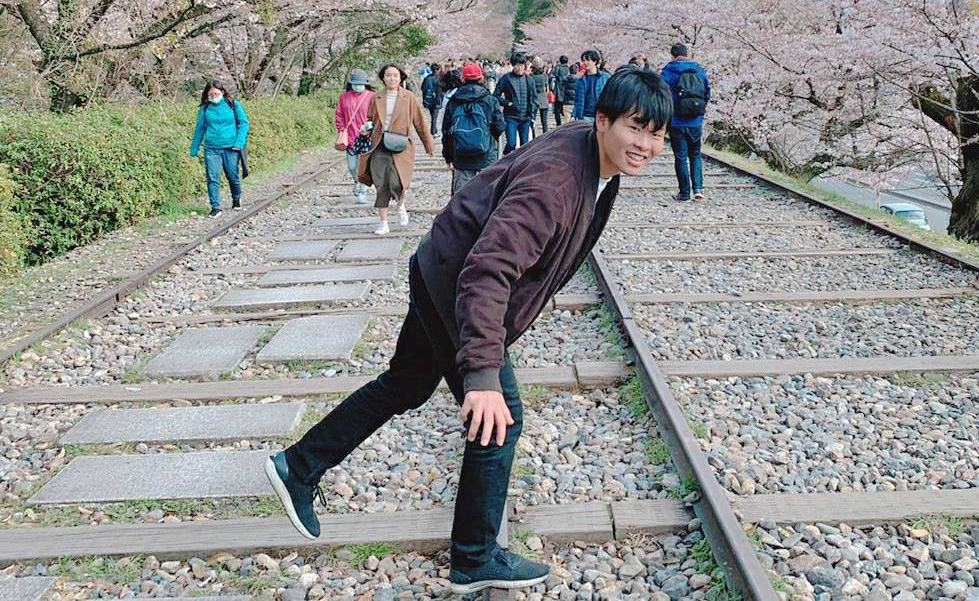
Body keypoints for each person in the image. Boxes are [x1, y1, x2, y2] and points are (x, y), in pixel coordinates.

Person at [264, 66, 673, 594]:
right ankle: (475, 556)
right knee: (499, 420)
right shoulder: (558, 182)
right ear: (601, 121)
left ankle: (298, 466)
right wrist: (481, 375)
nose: (646, 145)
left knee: (405, 384)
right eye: (635, 129)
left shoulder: (594, 155)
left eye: (657, 134)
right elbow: (488, 270)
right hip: (457, 285)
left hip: (438, 267)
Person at [358, 63, 435, 235]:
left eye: (395, 75)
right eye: (388, 75)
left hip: (401, 145)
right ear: (383, 78)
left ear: (401, 78)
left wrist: (428, 145)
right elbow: (370, 121)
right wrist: (364, 132)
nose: (392, 78)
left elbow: (420, 123)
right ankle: (383, 222)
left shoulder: (409, 97)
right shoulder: (376, 97)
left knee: (398, 181)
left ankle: (400, 205)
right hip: (379, 144)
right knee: (381, 184)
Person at [442, 61, 505, 194]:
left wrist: (448, 157)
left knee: (461, 198)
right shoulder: (489, 100)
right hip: (486, 154)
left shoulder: (453, 101)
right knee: (488, 196)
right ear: (481, 77)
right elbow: (500, 126)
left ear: (463, 78)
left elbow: (447, 132)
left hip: (460, 156)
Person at [189, 80, 249, 216]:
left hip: (231, 147)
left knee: (232, 175)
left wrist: (239, 143)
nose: (214, 96)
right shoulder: (205, 109)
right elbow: (199, 129)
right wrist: (194, 148)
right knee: (212, 177)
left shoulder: (233, 105)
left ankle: (236, 197)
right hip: (211, 148)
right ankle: (215, 207)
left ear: (222, 92)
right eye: (211, 94)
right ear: (207, 95)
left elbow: (244, 124)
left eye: (216, 93)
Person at [660, 43, 711, 202]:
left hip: (677, 121)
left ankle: (684, 192)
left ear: (673, 55)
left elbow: (662, 94)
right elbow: (707, 92)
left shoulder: (668, 70)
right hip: (696, 120)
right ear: (686, 53)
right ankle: (698, 189)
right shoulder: (699, 69)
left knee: (680, 157)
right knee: (695, 155)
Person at [335, 69, 373, 202]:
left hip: (366, 137)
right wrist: (341, 129)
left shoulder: (372, 96)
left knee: (363, 166)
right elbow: (339, 115)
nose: (357, 86)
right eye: (355, 84)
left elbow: (376, 115)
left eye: (360, 84)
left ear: (365, 84)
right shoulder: (344, 97)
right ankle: (357, 182)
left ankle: (363, 190)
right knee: (352, 167)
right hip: (350, 137)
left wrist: (370, 126)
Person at [494, 53, 538, 152]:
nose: (520, 68)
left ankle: (520, 165)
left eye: (522, 65)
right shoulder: (506, 79)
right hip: (511, 117)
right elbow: (495, 96)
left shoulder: (529, 79)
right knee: (511, 143)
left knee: (525, 146)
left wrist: (533, 114)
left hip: (526, 117)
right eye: (517, 65)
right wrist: (507, 103)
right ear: (513, 65)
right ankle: (507, 158)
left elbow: (534, 98)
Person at [572, 49, 609, 123]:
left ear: (595, 61)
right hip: (585, 115)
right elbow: (577, 99)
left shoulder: (605, 78)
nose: (585, 63)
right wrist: (574, 115)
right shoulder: (581, 80)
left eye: (588, 60)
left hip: (601, 115)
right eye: (583, 61)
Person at [530, 56, 553, 135]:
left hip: (534, 100)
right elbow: (547, 88)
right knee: (544, 122)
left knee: (532, 121)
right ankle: (545, 137)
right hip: (543, 99)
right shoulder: (545, 76)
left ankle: (533, 136)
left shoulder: (530, 77)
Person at [421, 63, 443, 137]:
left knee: (432, 116)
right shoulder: (439, 78)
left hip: (428, 100)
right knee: (434, 117)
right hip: (437, 100)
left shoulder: (427, 78)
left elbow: (422, 88)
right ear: (437, 70)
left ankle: (434, 131)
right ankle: (433, 132)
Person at [552, 55, 574, 126]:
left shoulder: (557, 68)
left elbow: (551, 75)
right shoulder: (569, 69)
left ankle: (558, 124)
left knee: (557, 109)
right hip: (567, 92)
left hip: (558, 91)